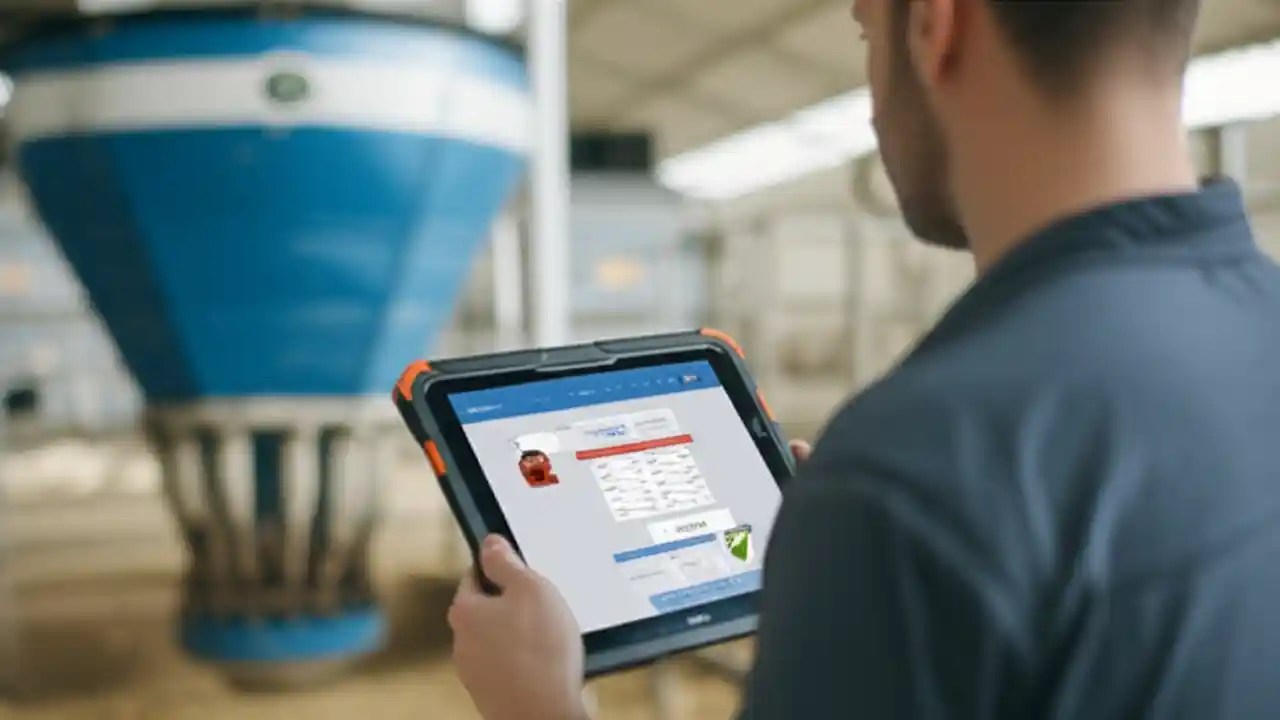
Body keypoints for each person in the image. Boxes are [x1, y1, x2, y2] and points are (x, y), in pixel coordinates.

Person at [447, 0, 1280, 716]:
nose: (875, 102)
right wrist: (851, 596)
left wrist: (541, 707)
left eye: (864, 31)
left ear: (933, 24)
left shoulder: (921, 467)